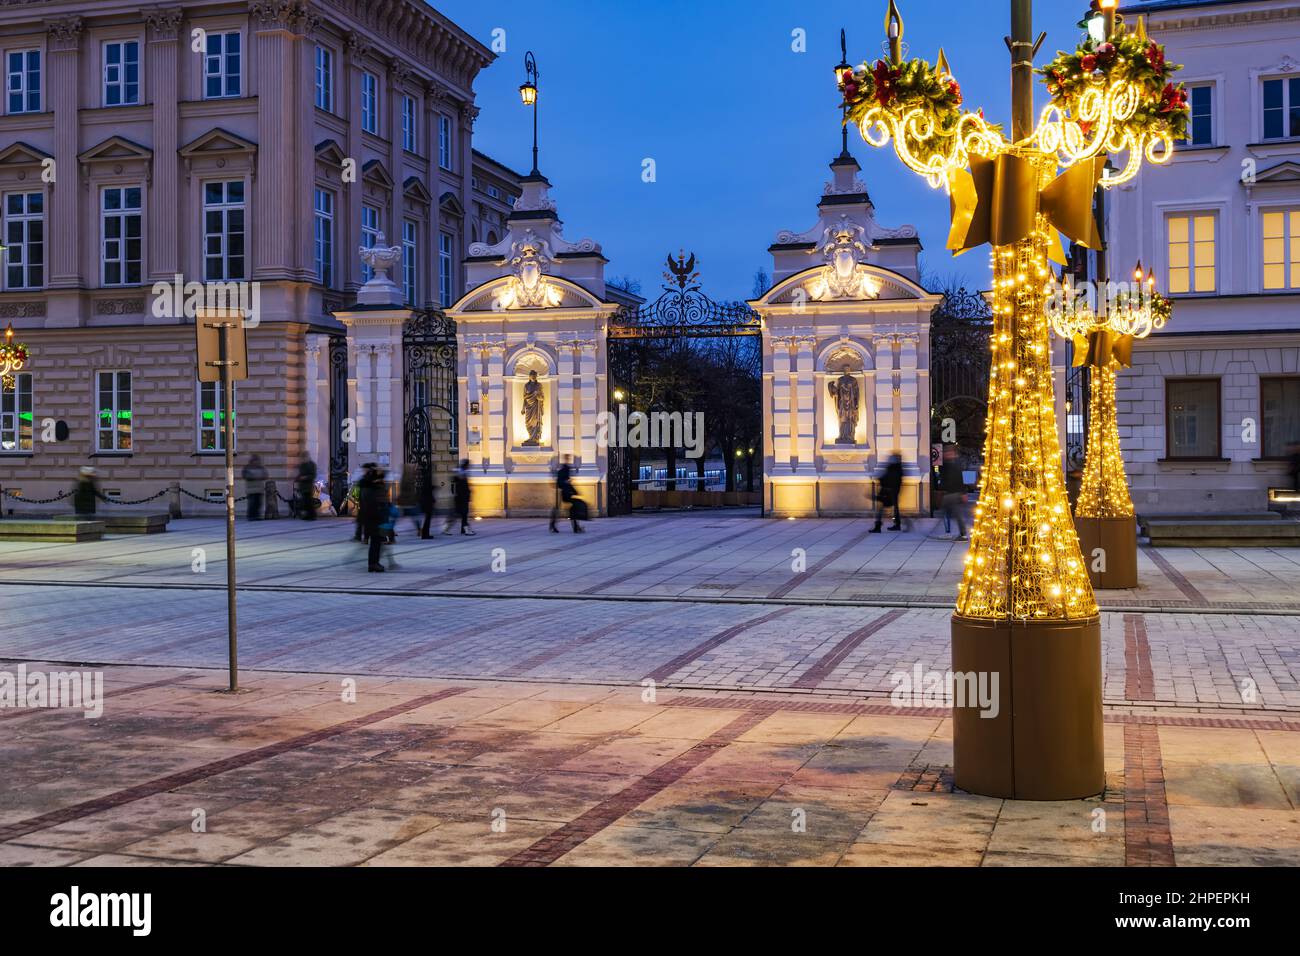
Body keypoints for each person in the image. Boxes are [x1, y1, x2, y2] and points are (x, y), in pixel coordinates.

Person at [358, 465, 389, 572]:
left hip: (372, 519)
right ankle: (373, 564)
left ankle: (374, 563)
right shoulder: (371, 490)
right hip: (374, 519)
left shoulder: (368, 487)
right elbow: (372, 506)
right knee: (375, 542)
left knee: (376, 542)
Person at [938, 445, 968, 541]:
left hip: (955, 494)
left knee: (957, 514)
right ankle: (949, 532)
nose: (947, 455)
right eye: (946, 453)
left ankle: (962, 534)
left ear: (953, 454)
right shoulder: (946, 465)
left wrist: (963, 493)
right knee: (946, 513)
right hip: (948, 493)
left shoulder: (956, 465)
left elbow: (961, 479)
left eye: (949, 453)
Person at [870, 454, 904, 533]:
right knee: (894, 509)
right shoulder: (896, 469)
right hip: (891, 492)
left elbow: (889, 479)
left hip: (890, 493)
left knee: (883, 510)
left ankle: (878, 527)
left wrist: (881, 479)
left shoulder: (894, 469)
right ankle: (896, 524)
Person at [445, 459, 474, 536]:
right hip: (461, 498)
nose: (468, 467)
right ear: (465, 466)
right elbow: (461, 487)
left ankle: (464, 530)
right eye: (468, 465)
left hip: (462, 498)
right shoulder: (461, 474)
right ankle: (447, 529)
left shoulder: (462, 473)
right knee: (459, 514)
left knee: (462, 514)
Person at [550, 454, 578, 533]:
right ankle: (575, 527)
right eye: (568, 458)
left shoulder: (564, 469)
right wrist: (573, 490)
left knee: (561, 509)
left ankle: (553, 525)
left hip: (564, 492)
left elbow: (566, 481)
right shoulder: (564, 470)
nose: (568, 459)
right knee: (571, 509)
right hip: (564, 492)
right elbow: (564, 482)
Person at [241, 454, 268, 521]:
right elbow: (246, 476)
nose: (256, 462)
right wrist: (256, 477)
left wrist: (257, 477)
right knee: (252, 504)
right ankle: (251, 516)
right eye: (255, 460)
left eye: (257, 460)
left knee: (258, 503)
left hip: (259, 489)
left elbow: (265, 475)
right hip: (251, 489)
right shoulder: (247, 468)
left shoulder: (261, 467)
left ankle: (257, 516)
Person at [418, 467, 436, 539]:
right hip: (427, 502)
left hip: (425, 501)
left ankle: (425, 533)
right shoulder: (428, 478)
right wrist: (433, 487)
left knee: (427, 518)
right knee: (427, 519)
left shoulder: (424, 478)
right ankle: (425, 534)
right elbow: (428, 490)